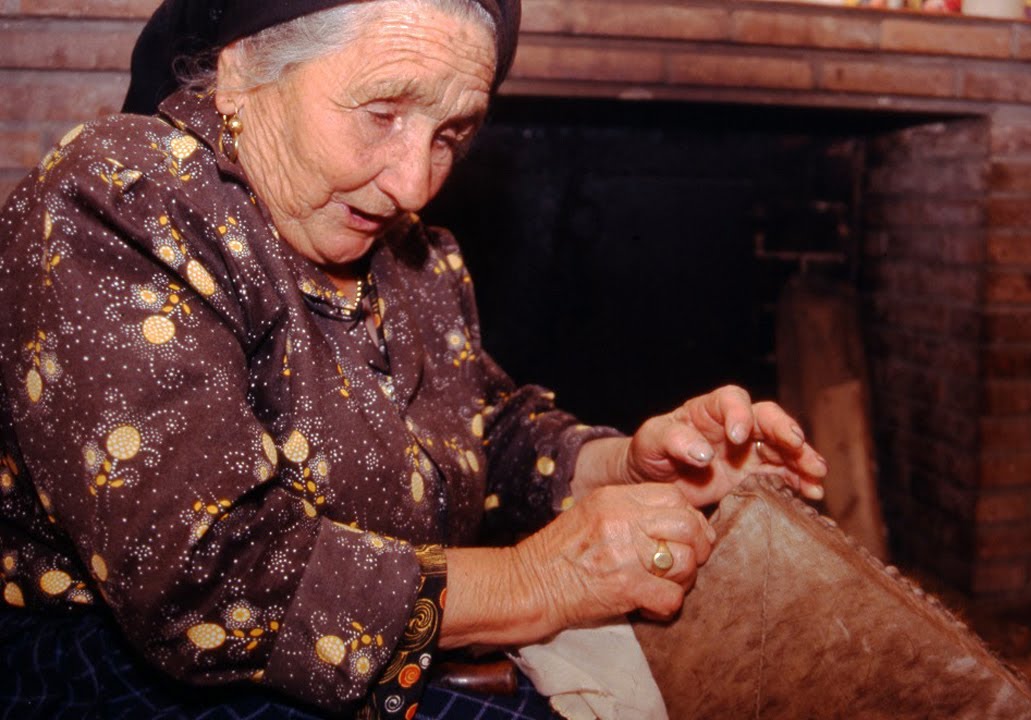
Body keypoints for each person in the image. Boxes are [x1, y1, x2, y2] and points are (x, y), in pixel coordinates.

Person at [0, 0, 827, 717]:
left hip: (354, 656)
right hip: (112, 679)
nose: (414, 185)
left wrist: (629, 466)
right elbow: (206, 583)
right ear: (242, 71)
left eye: (450, 134)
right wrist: (539, 581)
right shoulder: (122, 200)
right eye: (383, 110)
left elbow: (483, 434)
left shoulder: (411, 254)